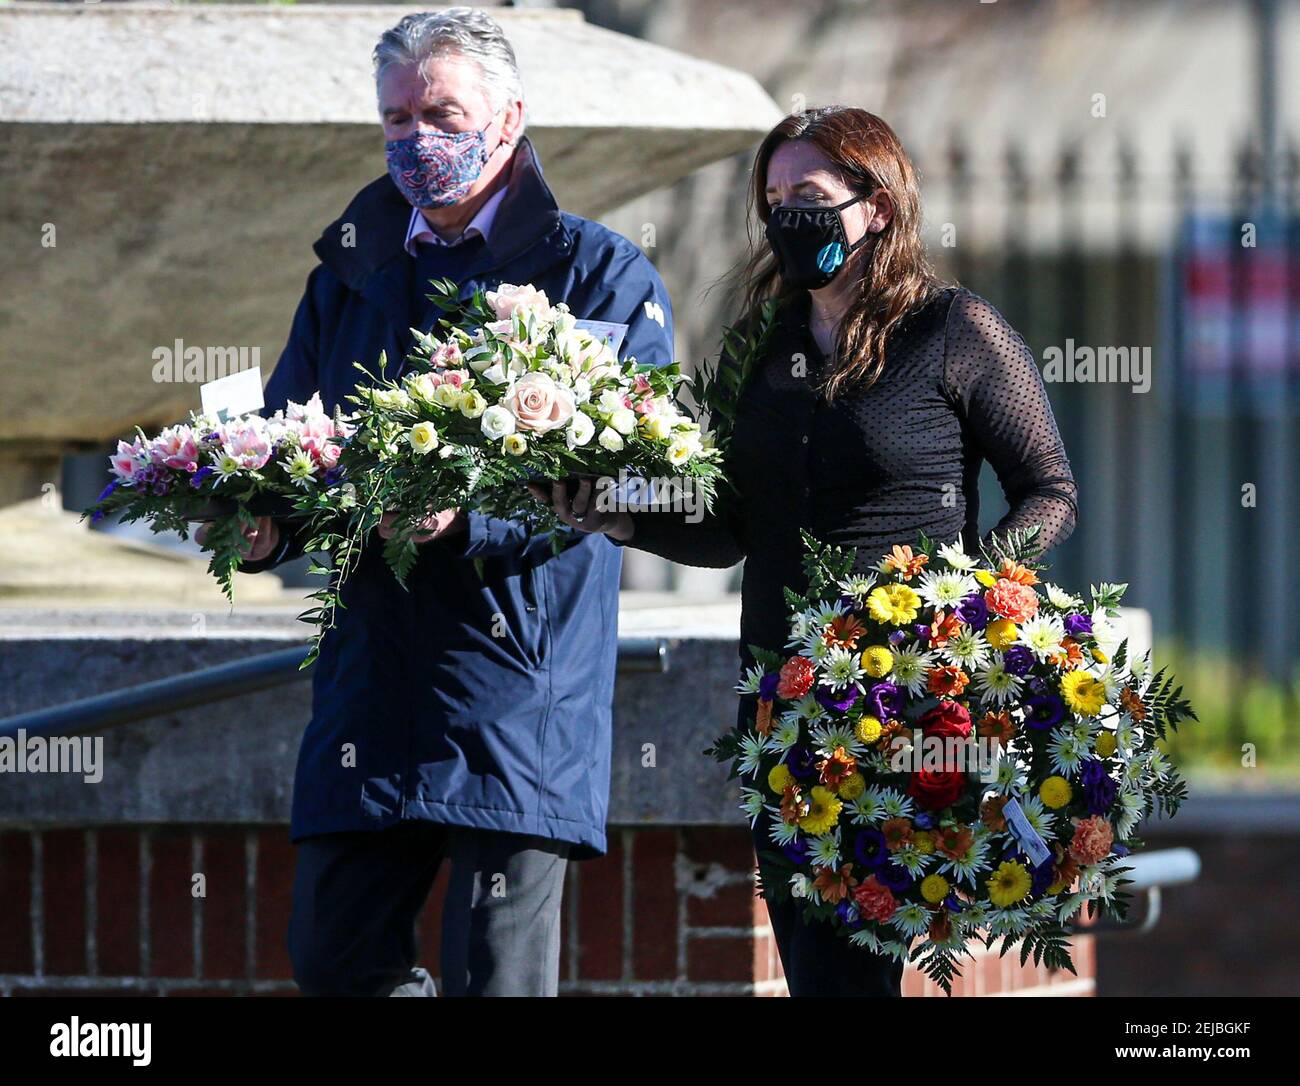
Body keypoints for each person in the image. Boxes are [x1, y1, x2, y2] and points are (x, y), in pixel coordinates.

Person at [536, 106, 1079, 996]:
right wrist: (621, 517)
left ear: (878, 204)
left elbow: (1049, 491)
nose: (789, 215)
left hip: (910, 696)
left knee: (859, 970)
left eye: (813, 196)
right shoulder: (762, 343)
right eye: (776, 197)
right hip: (782, 700)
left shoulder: (954, 331)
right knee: (814, 970)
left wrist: (968, 595)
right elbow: (733, 528)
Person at [204, 8, 674, 997]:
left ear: (507, 119)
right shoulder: (349, 273)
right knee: (333, 958)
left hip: (515, 683)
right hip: (370, 679)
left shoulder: (596, 272)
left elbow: (630, 472)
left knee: (496, 978)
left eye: (440, 113)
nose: (414, 138)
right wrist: (264, 523)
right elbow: (296, 440)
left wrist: (472, 522)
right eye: (394, 118)